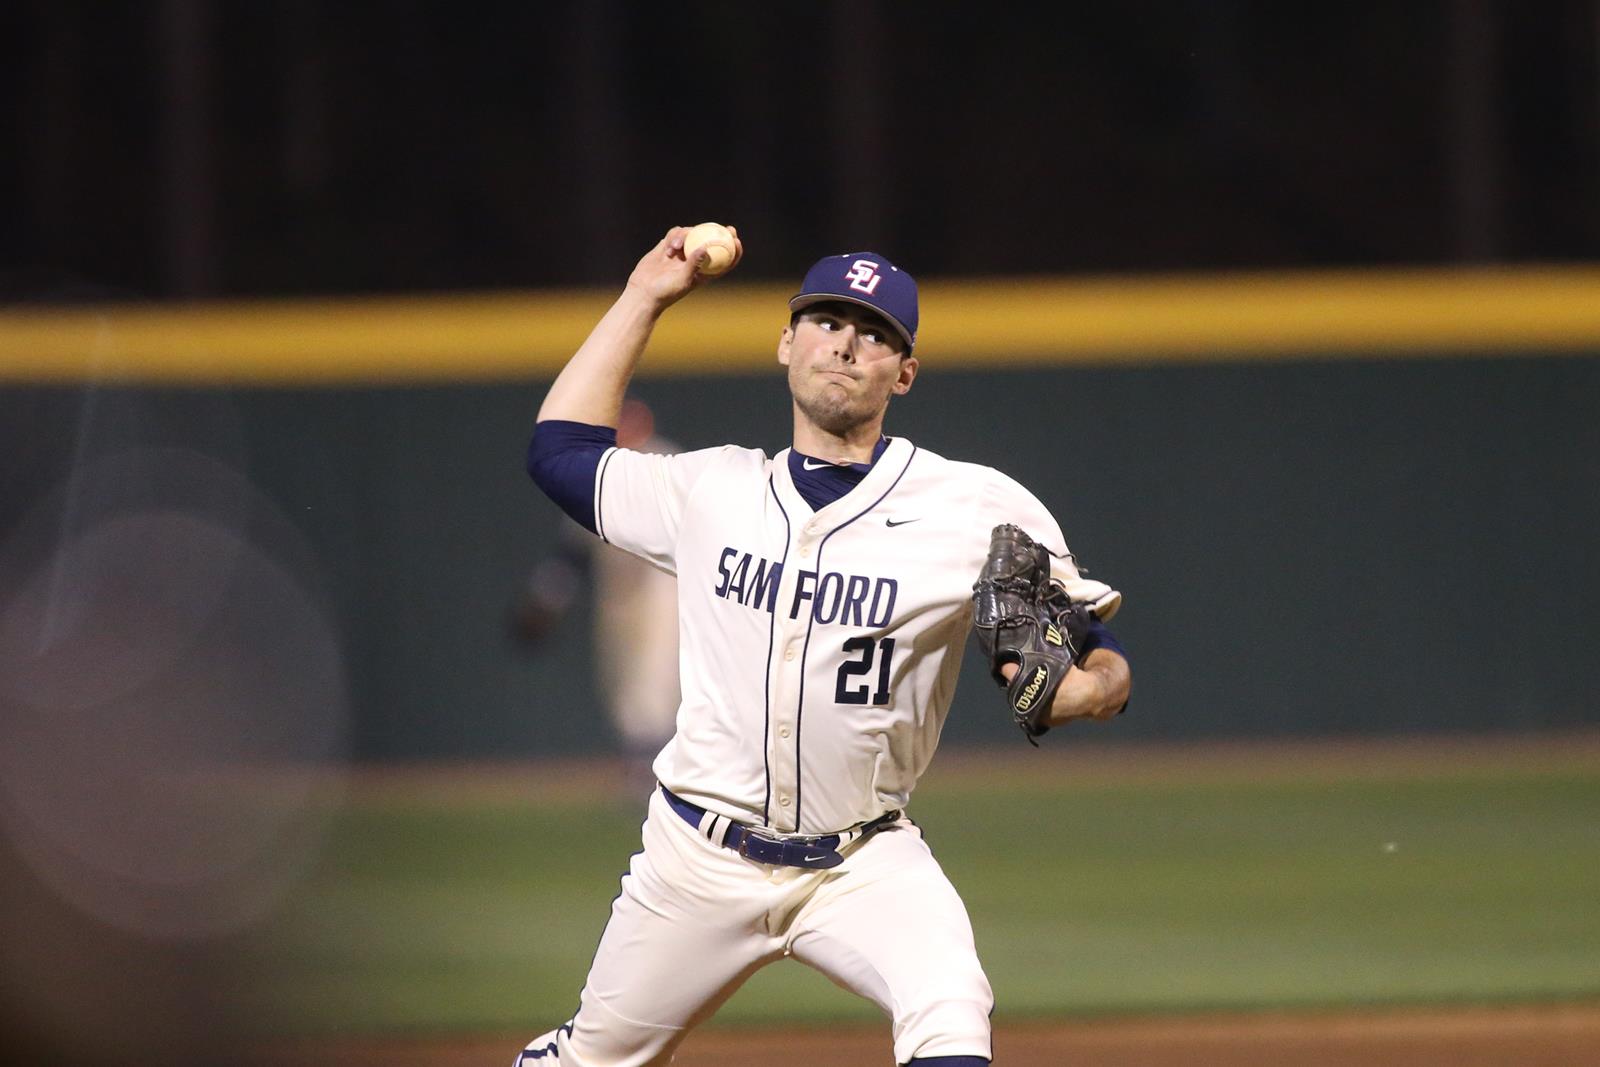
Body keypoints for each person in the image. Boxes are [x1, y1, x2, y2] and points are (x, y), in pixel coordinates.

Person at [519, 227, 1131, 1066]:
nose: (845, 343)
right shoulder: (710, 490)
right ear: (787, 342)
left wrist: (1088, 690)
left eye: (874, 333)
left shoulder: (973, 507)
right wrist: (643, 298)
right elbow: (558, 450)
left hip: (863, 860)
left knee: (951, 1012)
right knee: (590, 1059)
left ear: (904, 373)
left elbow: (1098, 647)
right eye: (827, 321)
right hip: (696, 858)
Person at [512, 397, 680, 792]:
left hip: (665, 589)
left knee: (654, 684)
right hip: (618, 595)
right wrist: (547, 597)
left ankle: (659, 780)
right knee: (621, 685)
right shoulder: (600, 470)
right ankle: (641, 773)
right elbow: (573, 551)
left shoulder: (667, 464)